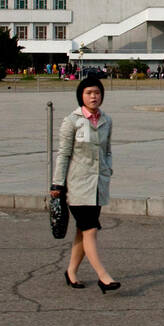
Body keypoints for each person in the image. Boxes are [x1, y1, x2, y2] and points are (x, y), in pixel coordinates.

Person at [52, 76, 119, 292]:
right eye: (89, 93)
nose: (94, 96)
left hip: (98, 185)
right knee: (90, 229)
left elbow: (107, 150)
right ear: (81, 96)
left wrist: (108, 169)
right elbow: (63, 155)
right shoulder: (71, 121)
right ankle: (103, 276)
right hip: (77, 186)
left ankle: (71, 271)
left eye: (97, 93)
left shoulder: (106, 120)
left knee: (83, 230)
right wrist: (57, 184)